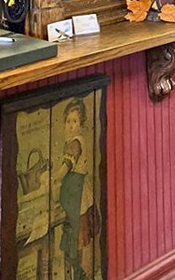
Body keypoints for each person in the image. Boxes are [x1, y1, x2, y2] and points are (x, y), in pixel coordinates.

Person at [54, 98, 100, 280]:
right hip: (72, 192)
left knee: (76, 235)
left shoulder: (76, 143)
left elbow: (67, 164)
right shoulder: (72, 142)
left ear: (81, 124)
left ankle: (78, 273)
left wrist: (54, 178)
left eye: (75, 121)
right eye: (68, 121)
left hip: (78, 193)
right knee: (71, 234)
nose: (71, 125)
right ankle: (75, 270)